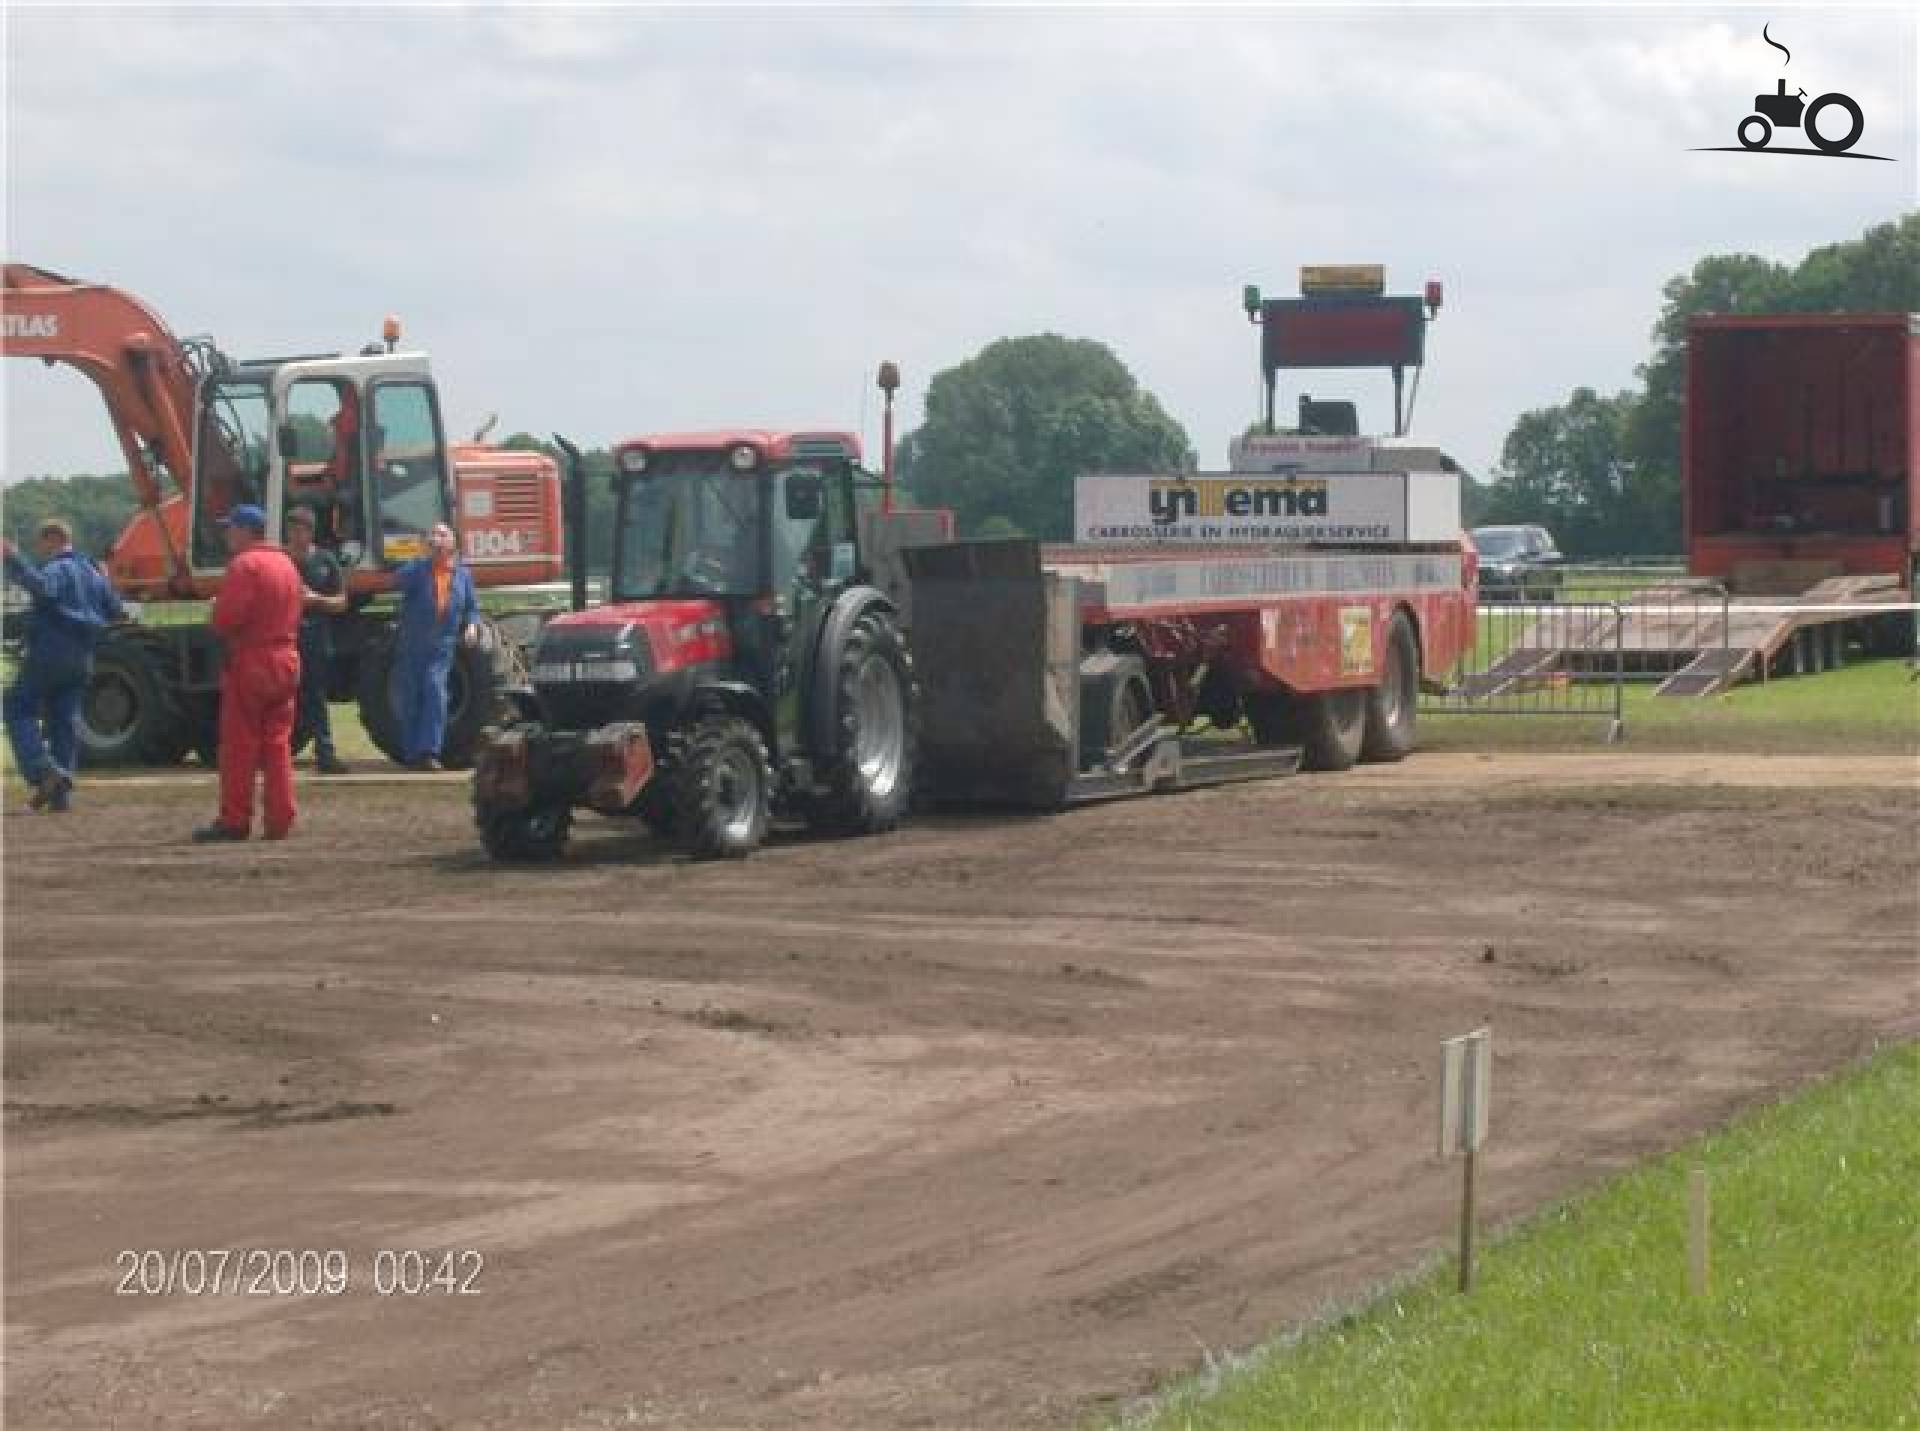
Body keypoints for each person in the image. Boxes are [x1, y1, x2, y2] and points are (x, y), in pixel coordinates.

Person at [194, 504, 303, 842]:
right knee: (278, 743)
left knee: (240, 745)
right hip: (287, 656)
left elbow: (226, 619)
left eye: (231, 528)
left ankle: (235, 819)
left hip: (253, 659)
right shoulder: (286, 563)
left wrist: (215, 611)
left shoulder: (244, 565)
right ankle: (280, 819)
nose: (227, 534)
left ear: (245, 531)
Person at [3, 519, 126, 813]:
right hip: (83, 656)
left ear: (54, 539)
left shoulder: (57, 568)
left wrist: (12, 559)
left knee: (16, 706)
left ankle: (42, 770)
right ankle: (61, 793)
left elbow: (44, 589)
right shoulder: (94, 574)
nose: (40, 550)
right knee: (65, 721)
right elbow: (116, 610)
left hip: (50, 650)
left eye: (42, 543)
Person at [391, 522, 479, 771]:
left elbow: (472, 607)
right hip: (412, 643)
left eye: (443, 535)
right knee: (411, 697)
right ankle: (411, 754)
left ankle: (429, 751)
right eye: (433, 535)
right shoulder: (418, 569)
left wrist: (471, 626)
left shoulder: (462, 575)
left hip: (442, 644)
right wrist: (423, 559)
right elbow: (397, 581)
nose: (437, 539)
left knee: (435, 690)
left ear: (453, 543)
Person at [285, 505, 350, 775]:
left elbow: (342, 601)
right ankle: (278, 751)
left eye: (301, 529)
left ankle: (325, 752)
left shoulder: (325, 561)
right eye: (292, 529)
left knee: (315, 694)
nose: (296, 535)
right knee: (284, 694)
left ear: (310, 532)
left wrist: (317, 599)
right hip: (285, 635)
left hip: (316, 635)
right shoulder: (280, 560)